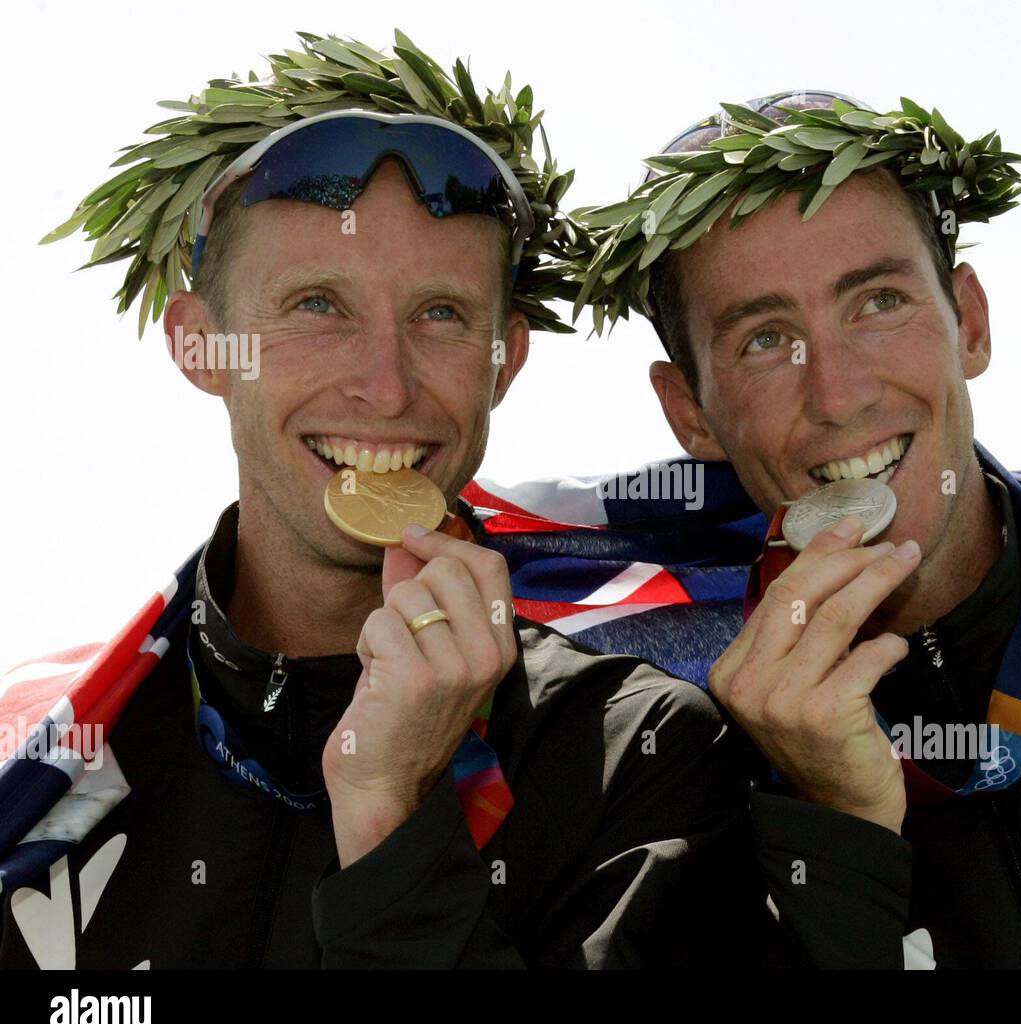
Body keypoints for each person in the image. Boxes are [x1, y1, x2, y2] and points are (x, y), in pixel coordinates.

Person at [0, 33, 767, 970]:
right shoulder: (36, 766)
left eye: (440, 314)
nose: (386, 384)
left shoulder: (639, 756)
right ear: (200, 345)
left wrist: (392, 818)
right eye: (318, 304)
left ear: (506, 359)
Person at [484, 90, 1021, 969]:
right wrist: (827, 835)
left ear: (970, 321)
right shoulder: (640, 733)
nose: (839, 393)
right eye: (764, 338)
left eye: (876, 302)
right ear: (691, 415)